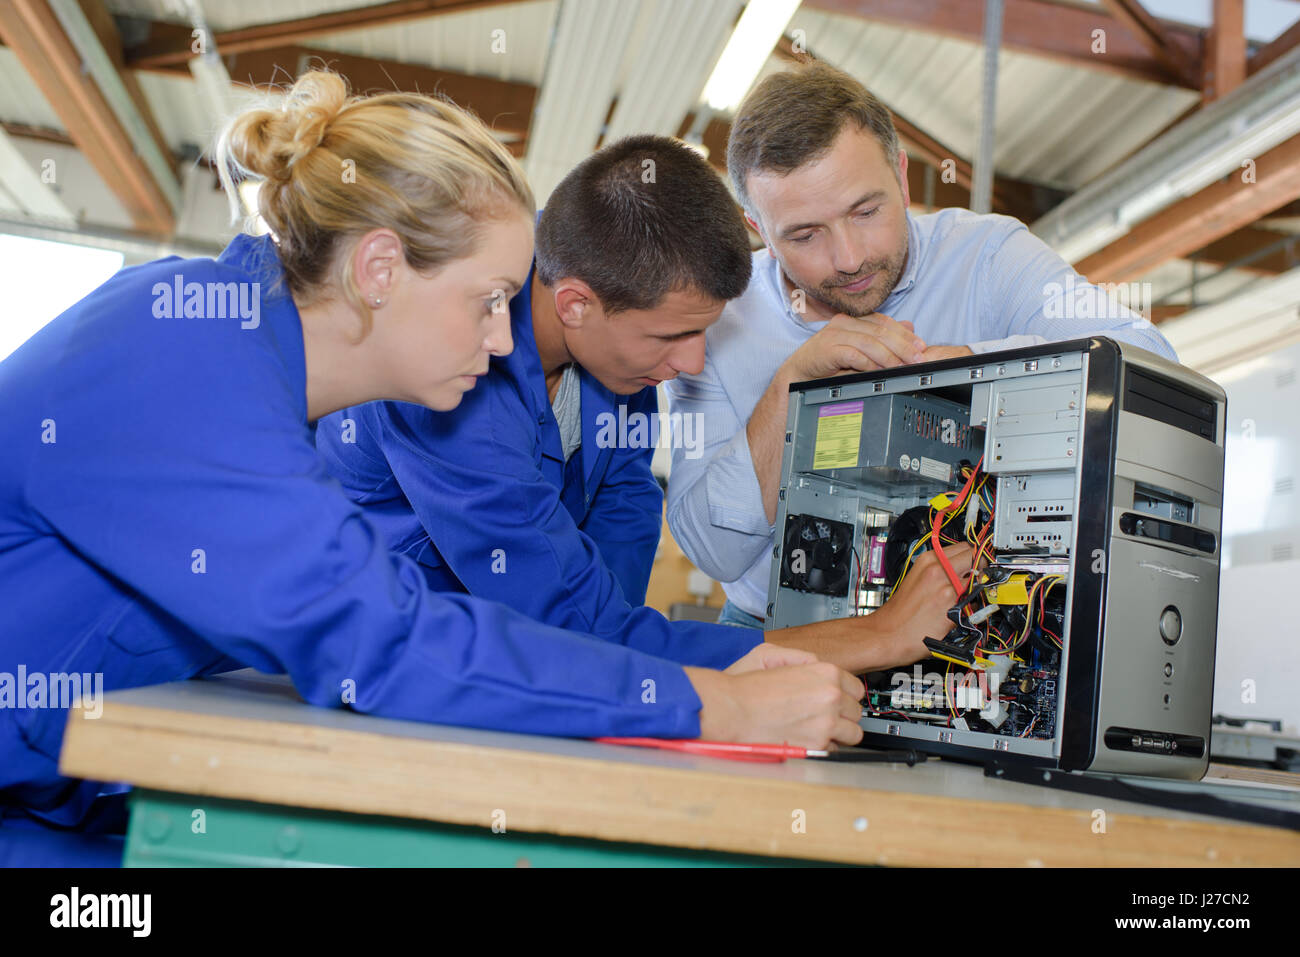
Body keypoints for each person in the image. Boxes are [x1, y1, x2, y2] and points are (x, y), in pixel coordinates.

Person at [0, 72, 861, 866]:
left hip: (66, 784)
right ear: (379, 269)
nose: (500, 342)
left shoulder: (241, 351)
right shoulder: (185, 358)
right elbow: (382, 638)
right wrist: (714, 705)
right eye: (487, 300)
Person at [316, 134, 972, 681]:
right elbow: (575, 632)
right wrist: (877, 636)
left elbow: (625, 512)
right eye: (670, 336)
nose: (688, 365)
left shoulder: (612, 341)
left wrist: (625, 668)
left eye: (701, 334)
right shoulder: (456, 383)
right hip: (367, 670)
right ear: (575, 304)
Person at [665, 61, 1178, 628]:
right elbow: (714, 552)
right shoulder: (716, 321)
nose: (849, 257)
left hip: (976, 626)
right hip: (780, 636)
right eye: (805, 234)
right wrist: (792, 386)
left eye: (866, 211)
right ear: (757, 226)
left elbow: (1148, 365)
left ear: (903, 178)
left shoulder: (985, 256)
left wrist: (974, 372)